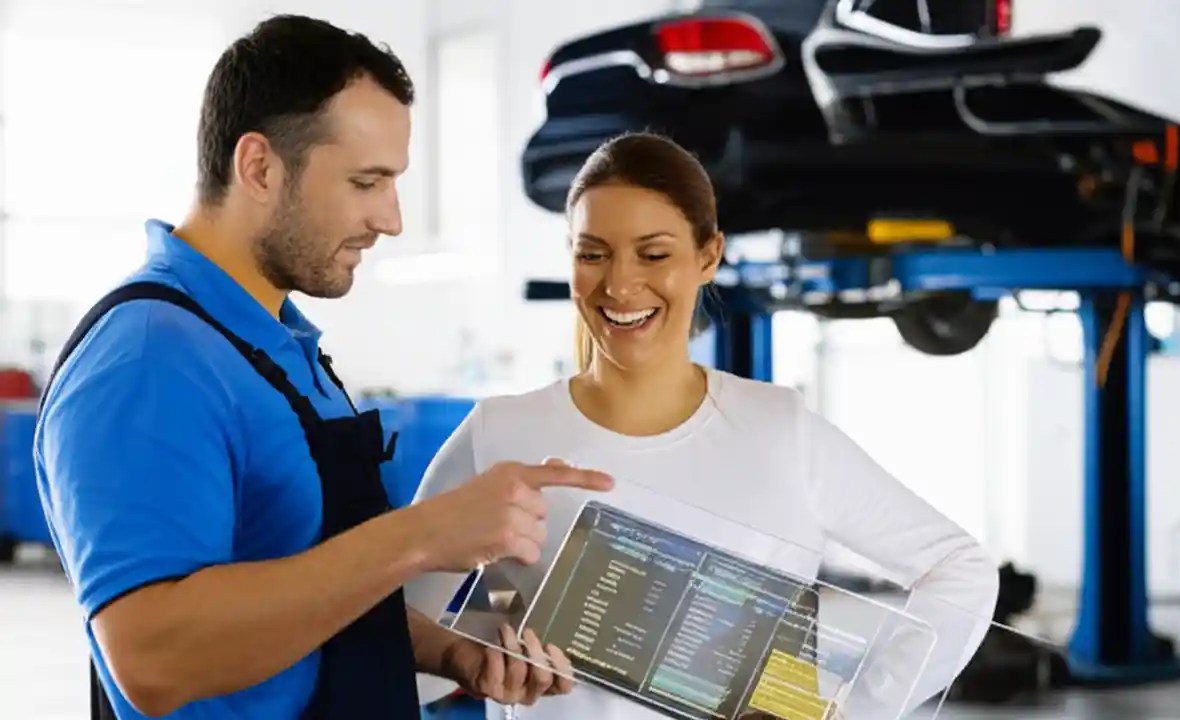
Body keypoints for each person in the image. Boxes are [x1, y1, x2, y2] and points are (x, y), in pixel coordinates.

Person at [34, 14, 609, 720]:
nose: (391, 218)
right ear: (259, 167)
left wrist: (449, 652)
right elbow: (152, 659)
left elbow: (308, 596)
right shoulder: (150, 361)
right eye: (367, 181)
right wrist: (423, 535)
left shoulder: (277, 345)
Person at [404, 132, 1001, 719]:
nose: (618, 284)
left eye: (654, 253)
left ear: (708, 256)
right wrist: (473, 649)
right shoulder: (501, 435)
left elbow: (961, 571)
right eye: (592, 253)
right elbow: (399, 647)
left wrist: (852, 709)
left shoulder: (778, 432)